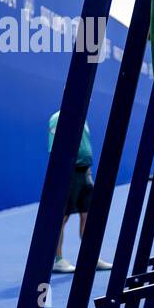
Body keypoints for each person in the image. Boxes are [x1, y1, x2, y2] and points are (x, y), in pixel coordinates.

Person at [48, 111, 112, 273]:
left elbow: (84, 148)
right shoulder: (58, 118)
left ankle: (90, 257)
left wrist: (89, 173)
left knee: (87, 216)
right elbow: (54, 149)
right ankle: (57, 260)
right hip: (69, 174)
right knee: (62, 218)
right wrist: (62, 178)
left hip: (84, 174)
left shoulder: (83, 119)